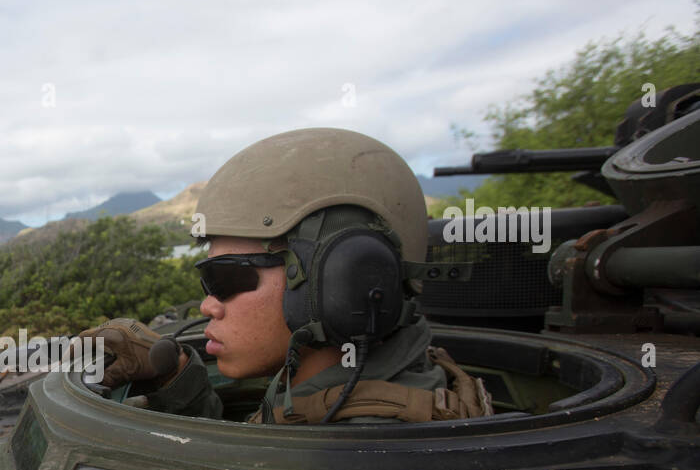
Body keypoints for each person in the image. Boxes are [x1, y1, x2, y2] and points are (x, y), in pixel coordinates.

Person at [79, 128, 492, 424]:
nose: (208, 305)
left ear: (340, 282)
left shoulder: (364, 455)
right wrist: (173, 376)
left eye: (225, 279)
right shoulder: (321, 381)